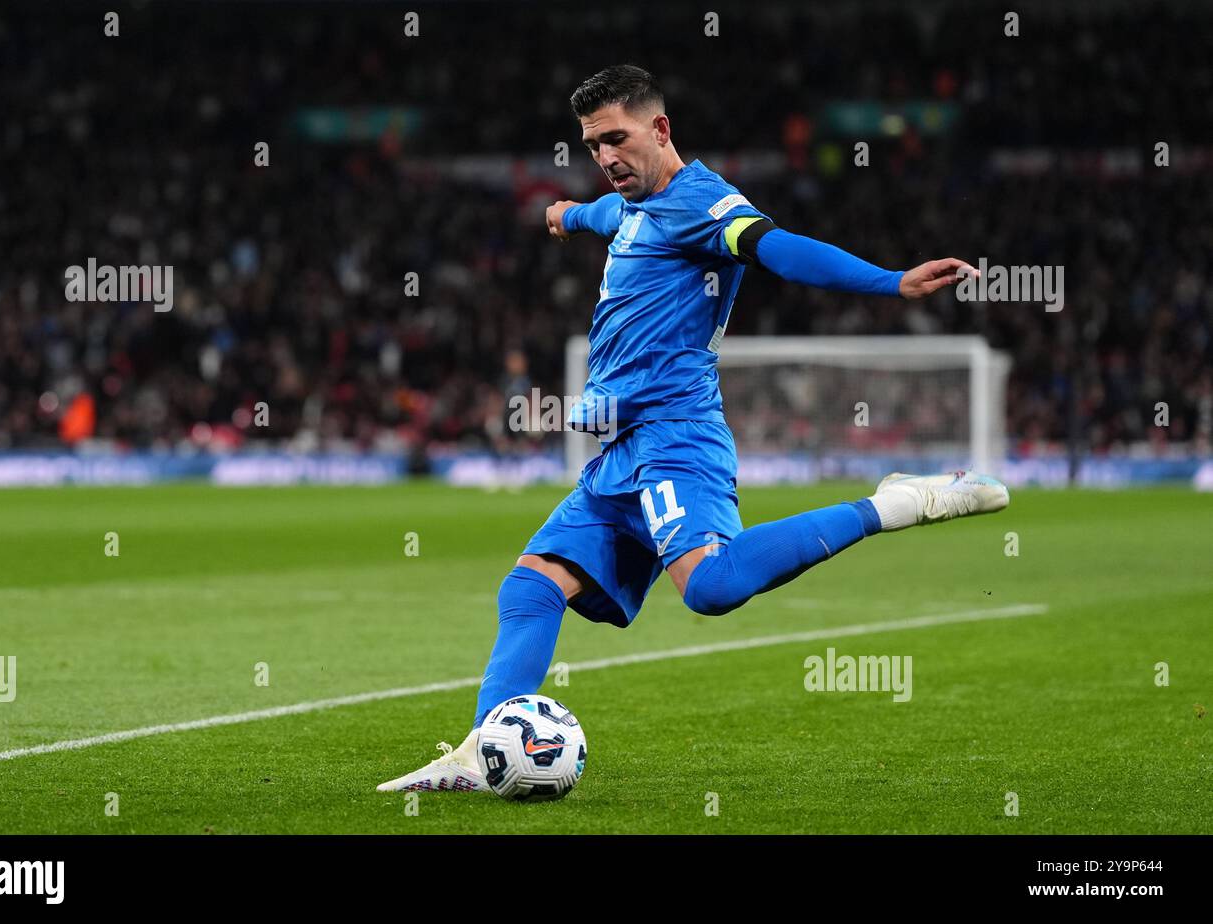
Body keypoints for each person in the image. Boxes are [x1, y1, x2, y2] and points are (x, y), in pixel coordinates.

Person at [378, 65, 1007, 793]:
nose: (606, 157)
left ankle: (897, 503)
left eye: (617, 138)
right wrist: (562, 214)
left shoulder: (706, 204)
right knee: (532, 585)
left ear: (661, 129)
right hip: (621, 447)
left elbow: (779, 248)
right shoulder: (630, 205)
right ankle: (482, 750)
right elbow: (598, 216)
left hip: (677, 433)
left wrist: (890, 280)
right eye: (591, 145)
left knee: (709, 587)